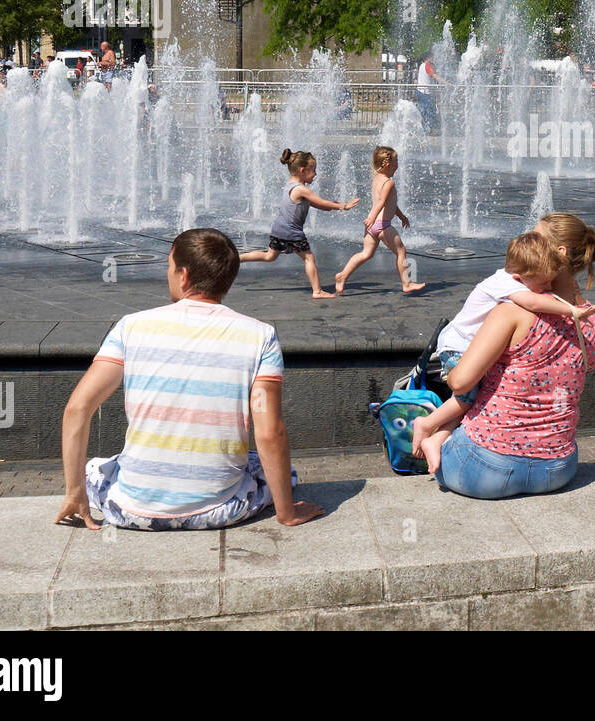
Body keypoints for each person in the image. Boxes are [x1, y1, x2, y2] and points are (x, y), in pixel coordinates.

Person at [54, 228, 324, 530]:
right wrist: (286, 513)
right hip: (223, 509)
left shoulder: (130, 327)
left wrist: (75, 492)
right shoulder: (260, 336)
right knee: (280, 472)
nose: (168, 274)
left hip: (131, 511)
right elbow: (270, 432)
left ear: (183, 276)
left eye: (170, 267)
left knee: (96, 468)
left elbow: (78, 408)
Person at [434, 213, 595, 499]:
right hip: (558, 468)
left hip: (485, 467)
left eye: (535, 239)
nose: (526, 245)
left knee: (427, 431)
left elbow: (460, 382)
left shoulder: (512, 312)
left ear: (559, 254)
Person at [239, 149, 358, 298]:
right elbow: (320, 201)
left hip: (278, 229)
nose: (316, 173)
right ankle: (317, 291)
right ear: (302, 170)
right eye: (313, 170)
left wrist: (334, 206)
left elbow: (318, 205)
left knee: (270, 256)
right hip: (291, 232)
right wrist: (343, 206)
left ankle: (239, 259)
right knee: (309, 258)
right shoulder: (301, 189)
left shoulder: (290, 184)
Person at [334, 145, 426, 294]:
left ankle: (342, 276)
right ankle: (407, 284)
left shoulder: (376, 179)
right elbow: (381, 202)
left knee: (366, 254)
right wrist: (372, 217)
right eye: (396, 163)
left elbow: (389, 203)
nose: (398, 166)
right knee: (401, 250)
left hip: (371, 226)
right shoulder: (389, 182)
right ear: (388, 165)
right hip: (382, 225)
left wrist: (401, 216)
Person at [414, 52, 445, 129]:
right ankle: (428, 129)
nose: (433, 59)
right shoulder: (427, 66)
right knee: (431, 111)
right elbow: (435, 76)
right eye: (432, 57)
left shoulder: (421, 65)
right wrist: (446, 83)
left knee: (422, 111)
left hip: (420, 91)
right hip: (425, 93)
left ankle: (420, 128)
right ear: (428, 58)